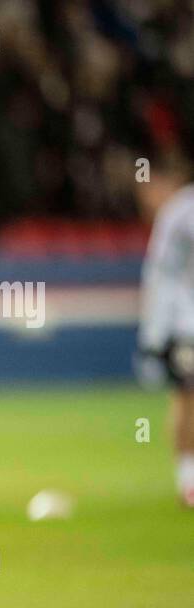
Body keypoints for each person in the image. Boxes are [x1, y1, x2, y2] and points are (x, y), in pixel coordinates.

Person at [137, 152, 194, 507]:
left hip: (182, 325)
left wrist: (153, 336)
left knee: (186, 399)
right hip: (186, 325)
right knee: (188, 398)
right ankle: (189, 481)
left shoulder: (176, 212)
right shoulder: (180, 211)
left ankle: (188, 479)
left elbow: (159, 275)